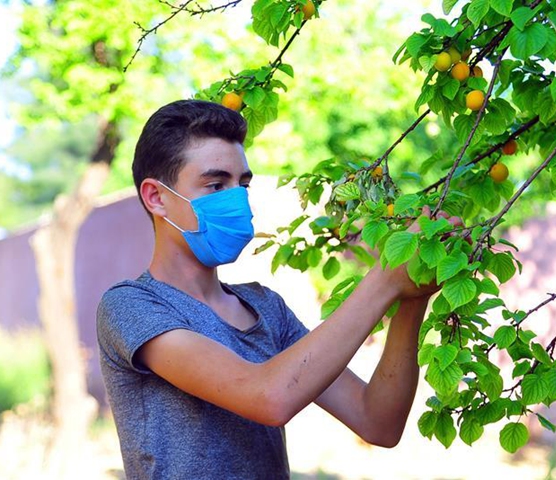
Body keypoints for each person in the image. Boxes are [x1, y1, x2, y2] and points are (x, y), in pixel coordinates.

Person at [97, 99, 459, 479]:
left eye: (243, 184)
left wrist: (410, 294)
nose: (237, 199)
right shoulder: (130, 305)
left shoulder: (266, 307)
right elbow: (268, 397)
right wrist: (383, 278)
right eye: (216, 184)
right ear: (156, 197)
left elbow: (379, 422)